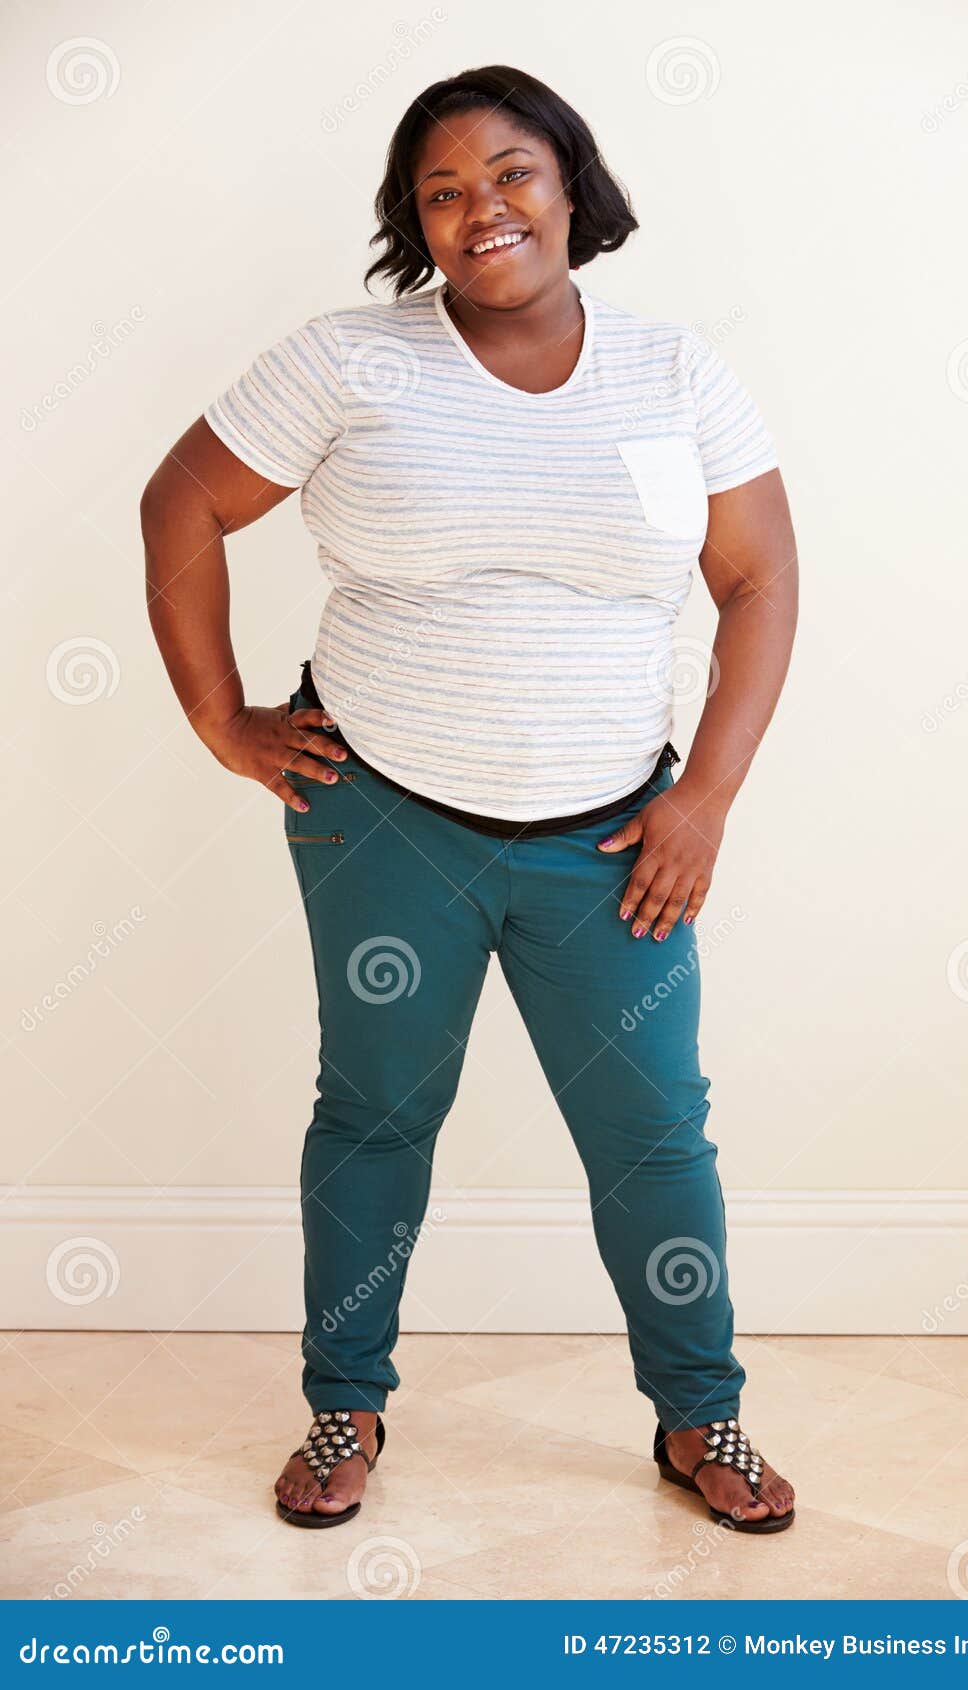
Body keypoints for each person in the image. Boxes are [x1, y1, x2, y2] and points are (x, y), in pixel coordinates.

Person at [141, 64, 798, 1535]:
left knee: (655, 1133)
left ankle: (704, 1416)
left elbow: (757, 582)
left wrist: (709, 797)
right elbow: (179, 499)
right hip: (382, 817)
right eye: (441, 191)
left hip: (617, 839)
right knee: (375, 1110)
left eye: (510, 172)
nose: (480, 209)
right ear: (414, 225)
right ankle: (342, 1405)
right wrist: (221, 719)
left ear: (571, 185)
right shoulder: (346, 361)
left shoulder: (676, 370)